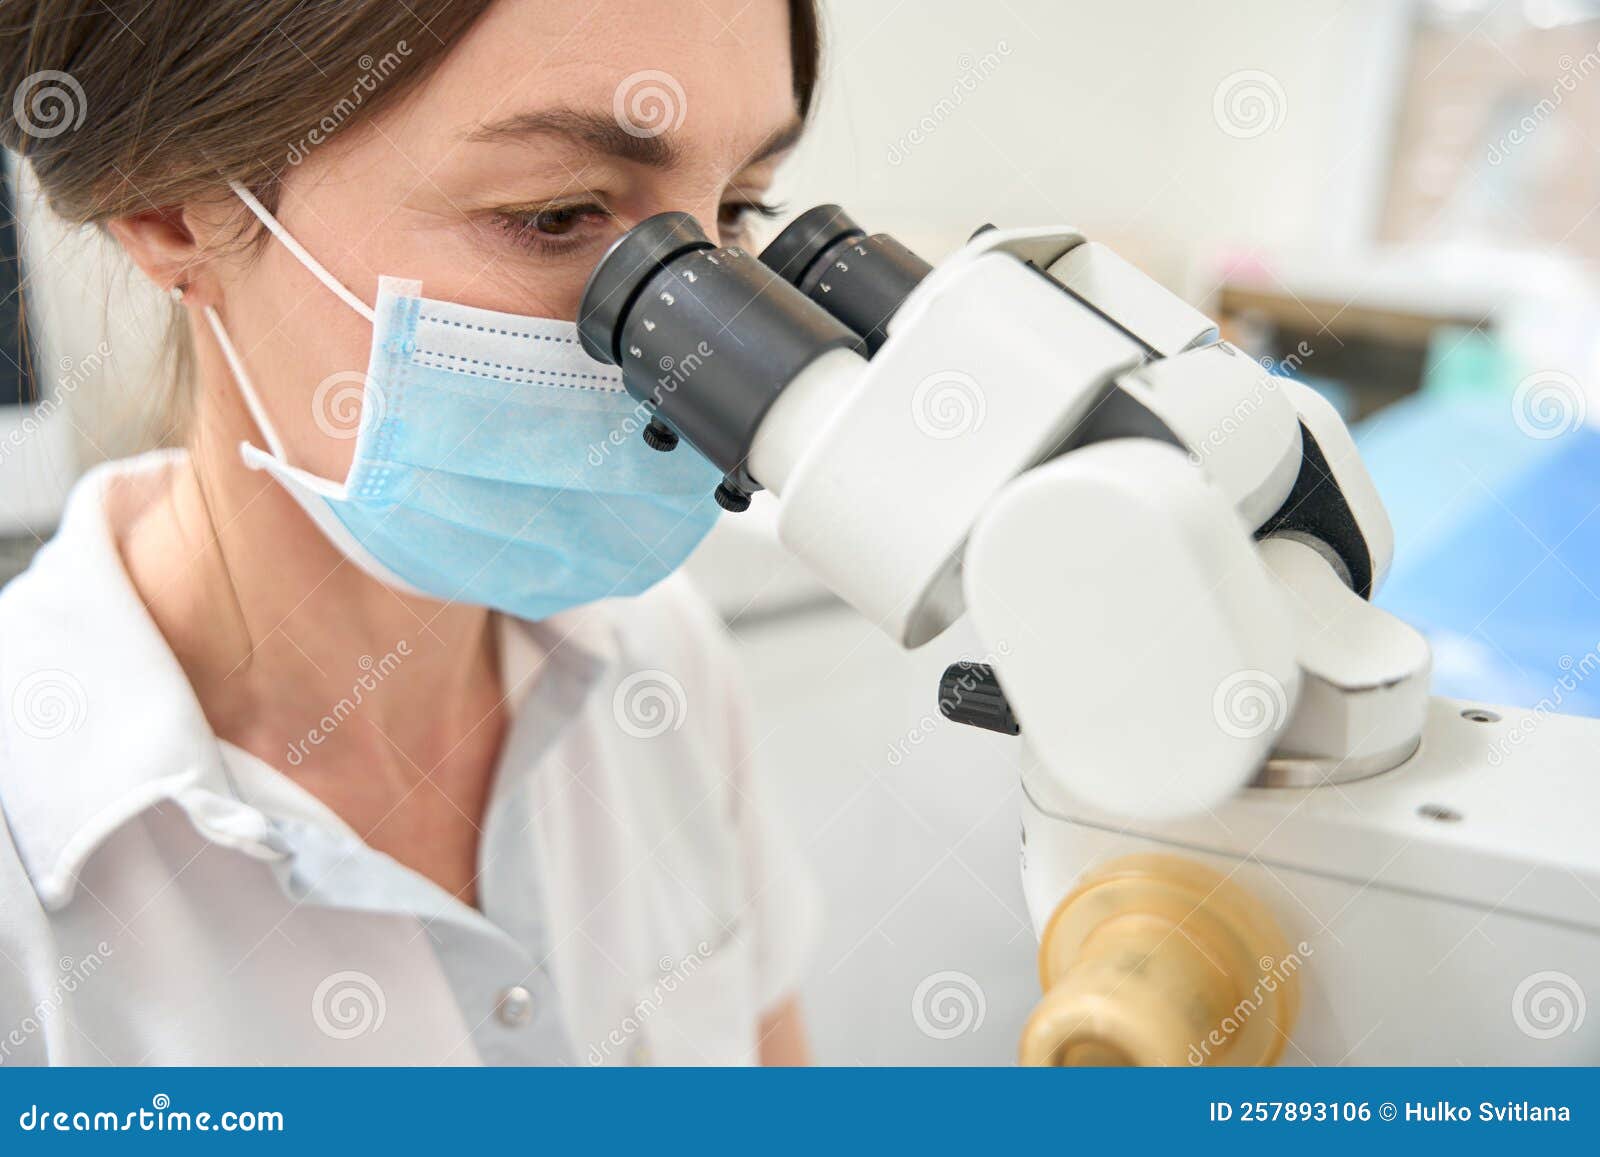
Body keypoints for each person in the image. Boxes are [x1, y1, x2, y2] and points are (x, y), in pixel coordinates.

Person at [0, 0, 822, 1066]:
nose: (700, 339)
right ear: (165, 206)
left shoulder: (660, 663)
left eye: (739, 208)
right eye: (559, 212)